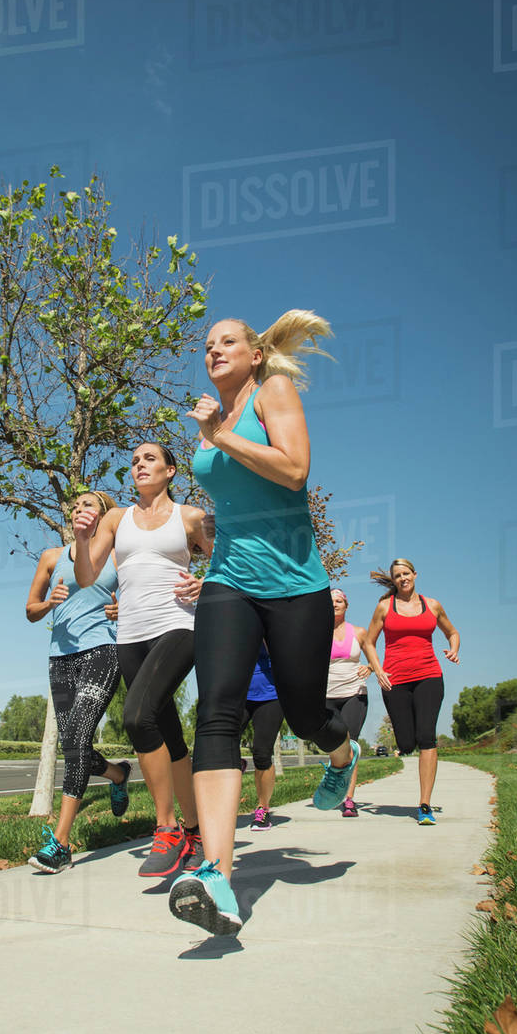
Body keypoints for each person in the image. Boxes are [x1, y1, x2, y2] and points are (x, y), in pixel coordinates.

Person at [168, 311, 359, 937]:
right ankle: (218, 877)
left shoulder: (271, 392)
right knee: (216, 711)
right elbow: (232, 500)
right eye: (207, 345)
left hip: (297, 584)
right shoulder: (209, 425)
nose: (213, 350)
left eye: (227, 342)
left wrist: (220, 436)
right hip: (229, 579)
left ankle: (341, 754)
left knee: (304, 714)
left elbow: (294, 470)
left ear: (254, 354)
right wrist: (205, 539)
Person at [74, 443, 212, 878]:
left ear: (171, 470)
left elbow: (230, 561)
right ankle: (196, 833)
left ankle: (167, 828)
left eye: (149, 459)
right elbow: (86, 576)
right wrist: (82, 539)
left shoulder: (191, 517)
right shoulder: (116, 519)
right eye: (134, 461)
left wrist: (207, 583)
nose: (139, 465)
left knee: (136, 717)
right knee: (168, 734)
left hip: (178, 626)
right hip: (130, 636)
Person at [24, 491, 131, 873]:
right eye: (75, 506)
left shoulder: (117, 554)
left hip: (103, 650)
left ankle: (61, 842)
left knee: (77, 737)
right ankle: (118, 773)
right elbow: (30, 610)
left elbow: (138, 597)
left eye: (89, 505)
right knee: (74, 744)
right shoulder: (51, 557)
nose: (79, 509)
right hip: (61, 658)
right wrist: (49, 603)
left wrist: (122, 607)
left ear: (103, 515)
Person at [362, 559, 460, 825]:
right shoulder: (385, 607)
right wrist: (378, 670)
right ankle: (407, 743)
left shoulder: (433, 605)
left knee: (427, 737)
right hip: (395, 680)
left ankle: (424, 805)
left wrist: (454, 650)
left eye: (406, 573)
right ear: (393, 580)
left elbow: (452, 632)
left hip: (429, 676)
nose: (403, 578)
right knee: (406, 744)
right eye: (397, 576)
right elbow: (369, 642)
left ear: (415, 575)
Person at [326, 588, 372, 817]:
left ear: (346, 605)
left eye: (339, 601)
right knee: (335, 746)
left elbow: (374, 658)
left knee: (350, 745)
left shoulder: (359, 632)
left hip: (355, 692)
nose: (335, 604)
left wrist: (370, 667)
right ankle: (335, 782)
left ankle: (349, 799)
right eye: (331, 601)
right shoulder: (317, 631)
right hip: (326, 695)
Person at [241, 645, 285, 831]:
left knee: (262, 753)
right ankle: (236, 764)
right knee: (221, 743)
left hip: (271, 695)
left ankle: (263, 809)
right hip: (238, 692)